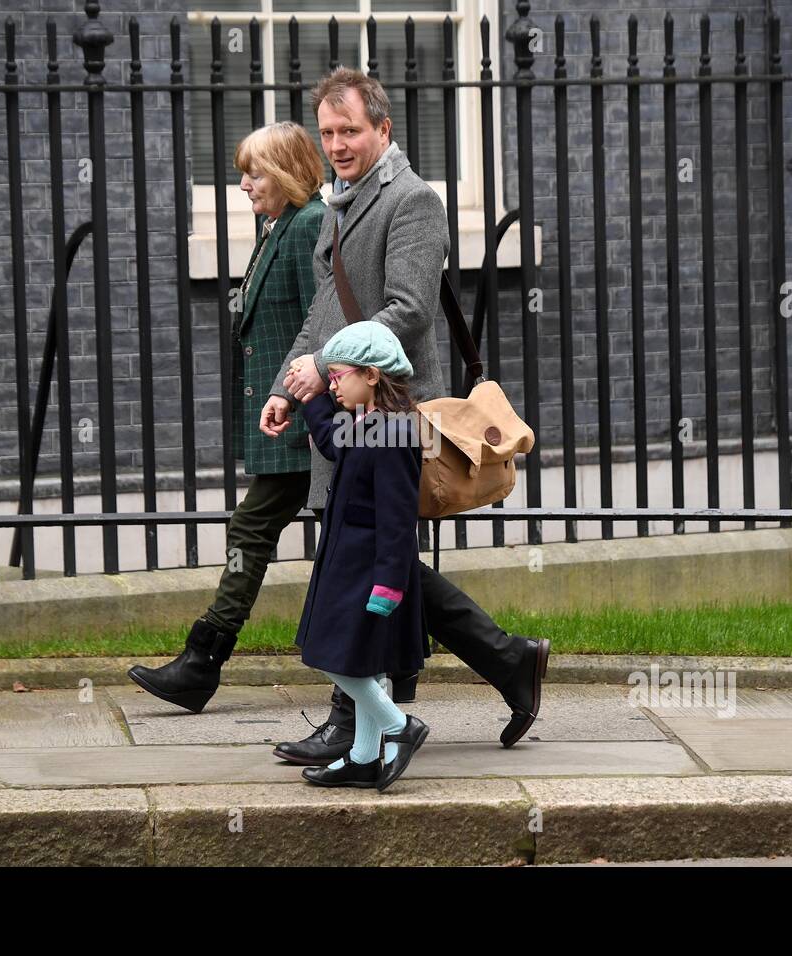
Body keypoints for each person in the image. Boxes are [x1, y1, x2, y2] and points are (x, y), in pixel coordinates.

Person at [264, 67, 550, 765]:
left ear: (383, 130)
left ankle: (360, 716)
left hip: (388, 410)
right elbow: (319, 312)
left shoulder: (413, 201)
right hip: (342, 401)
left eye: (350, 130)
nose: (336, 143)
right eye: (327, 132)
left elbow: (409, 310)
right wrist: (289, 383)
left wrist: (326, 365)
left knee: (363, 556)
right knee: (371, 557)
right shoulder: (340, 201)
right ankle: (505, 663)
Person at [127, 122, 330, 712]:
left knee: (252, 530)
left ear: (289, 171)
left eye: (255, 172)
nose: (243, 184)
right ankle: (494, 653)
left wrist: (290, 395)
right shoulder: (279, 227)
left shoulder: (309, 225)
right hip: (283, 417)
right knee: (356, 544)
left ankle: (202, 661)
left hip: (302, 420)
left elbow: (316, 327)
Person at [289, 322, 429, 790]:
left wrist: (389, 583)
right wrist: (311, 400)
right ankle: (365, 758)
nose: (332, 384)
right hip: (346, 562)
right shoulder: (367, 424)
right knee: (364, 661)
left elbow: (397, 517)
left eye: (338, 377)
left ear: (371, 375)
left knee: (332, 654)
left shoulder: (394, 433)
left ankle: (399, 727)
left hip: (369, 570)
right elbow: (332, 442)